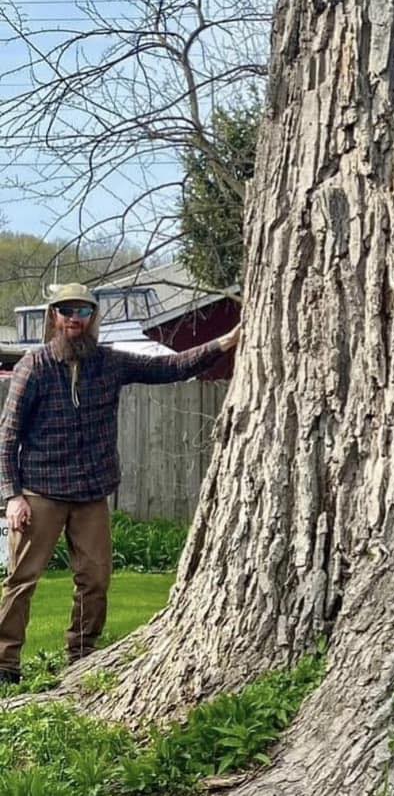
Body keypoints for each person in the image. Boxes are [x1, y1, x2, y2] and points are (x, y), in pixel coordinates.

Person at [0, 282, 240, 683]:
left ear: (92, 318)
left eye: (82, 312)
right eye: (65, 311)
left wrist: (222, 344)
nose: (73, 319)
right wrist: (12, 496)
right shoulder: (34, 366)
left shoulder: (110, 363)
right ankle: (5, 664)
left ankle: (82, 657)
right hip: (40, 492)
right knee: (22, 580)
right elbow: (7, 436)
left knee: (95, 580)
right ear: (53, 317)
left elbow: (172, 367)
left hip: (92, 493)